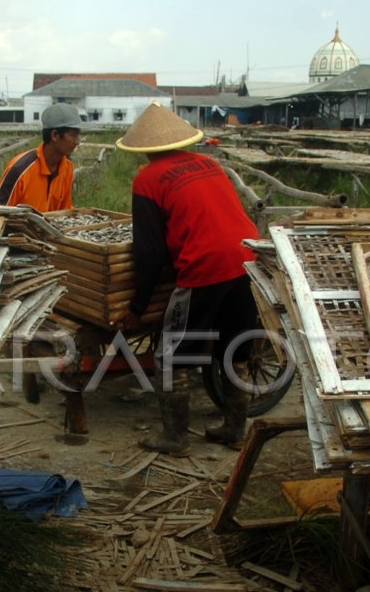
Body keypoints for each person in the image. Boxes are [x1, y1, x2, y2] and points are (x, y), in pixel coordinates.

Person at [111, 103, 259, 457]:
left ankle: (175, 437)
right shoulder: (210, 164)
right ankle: (236, 429)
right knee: (235, 350)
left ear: (144, 149)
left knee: (169, 357)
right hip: (249, 259)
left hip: (205, 267)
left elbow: (148, 252)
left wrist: (136, 307)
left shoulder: (147, 179)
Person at [0, 103, 83, 212]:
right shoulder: (19, 169)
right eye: (73, 135)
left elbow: (64, 211)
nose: (77, 141)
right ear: (55, 135)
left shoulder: (67, 167)